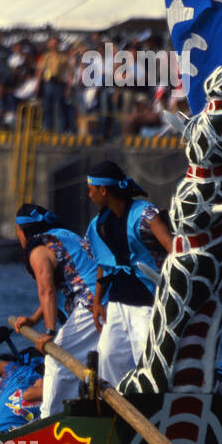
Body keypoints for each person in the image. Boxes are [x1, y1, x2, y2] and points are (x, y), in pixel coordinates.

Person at [84, 161, 172, 387]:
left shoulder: (145, 215)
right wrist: (97, 302)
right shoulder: (99, 224)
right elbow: (104, 263)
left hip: (148, 300)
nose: (89, 194)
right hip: (117, 303)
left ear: (103, 190)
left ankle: (152, 406)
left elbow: (175, 250)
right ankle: (115, 407)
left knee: (147, 358)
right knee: (108, 357)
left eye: (91, 189)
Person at [11, 203, 98, 417]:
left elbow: (47, 289)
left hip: (91, 304)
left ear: (22, 231)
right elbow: (57, 291)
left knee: (56, 357)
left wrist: (49, 333)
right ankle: (85, 410)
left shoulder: (38, 248)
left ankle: (49, 419)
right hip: (106, 302)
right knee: (93, 361)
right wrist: (33, 319)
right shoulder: (63, 235)